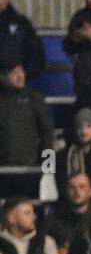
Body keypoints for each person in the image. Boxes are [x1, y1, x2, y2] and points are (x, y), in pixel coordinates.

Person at [0, 59, 53, 202]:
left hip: (28, 170)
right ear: (2, 76)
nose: (20, 76)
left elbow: (48, 132)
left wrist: (48, 167)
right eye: (14, 73)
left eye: (21, 71)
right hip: (2, 170)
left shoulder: (34, 97)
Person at [44, 173, 91, 254]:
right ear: (66, 191)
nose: (77, 192)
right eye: (72, 187)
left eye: (82, 187)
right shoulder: (54, 220)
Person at [0, 0, 45, 82]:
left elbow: (37, 59)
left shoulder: (22, 24)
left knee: (36, 97)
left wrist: (22, 75)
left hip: (13, 91)